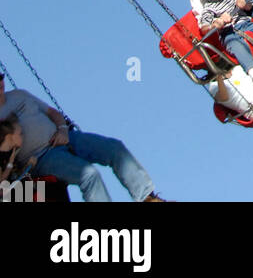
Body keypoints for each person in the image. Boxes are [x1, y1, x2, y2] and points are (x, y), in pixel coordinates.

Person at [0, 72, 165, 201]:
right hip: (43, 157)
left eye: (1, 79)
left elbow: (52, 113)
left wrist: (63, 130)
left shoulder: (19, 95)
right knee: (89, 175)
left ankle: (146, 197)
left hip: (66, 137)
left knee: (114, 148)